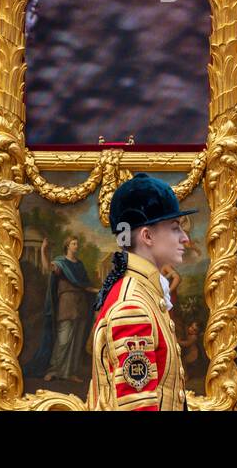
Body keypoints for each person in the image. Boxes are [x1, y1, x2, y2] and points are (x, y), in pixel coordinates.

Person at [88, 172, 194, 410]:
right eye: (175, 228)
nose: (185, 238)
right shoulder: (133, 305)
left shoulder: (145, 292)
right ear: (147, 236)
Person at [28, 234, 97, 382]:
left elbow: (85, 285)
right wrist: (43, 250)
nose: (76, 246)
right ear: (67, 246)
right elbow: (47, 268)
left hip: (81, 304)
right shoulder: (61, 262)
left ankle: (70, 372)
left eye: (76, 244)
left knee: (77, 340)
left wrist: (97, 291)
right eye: (73, 243)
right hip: (66, 303)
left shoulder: (79, 264)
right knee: (63, 340)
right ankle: (54, 370)